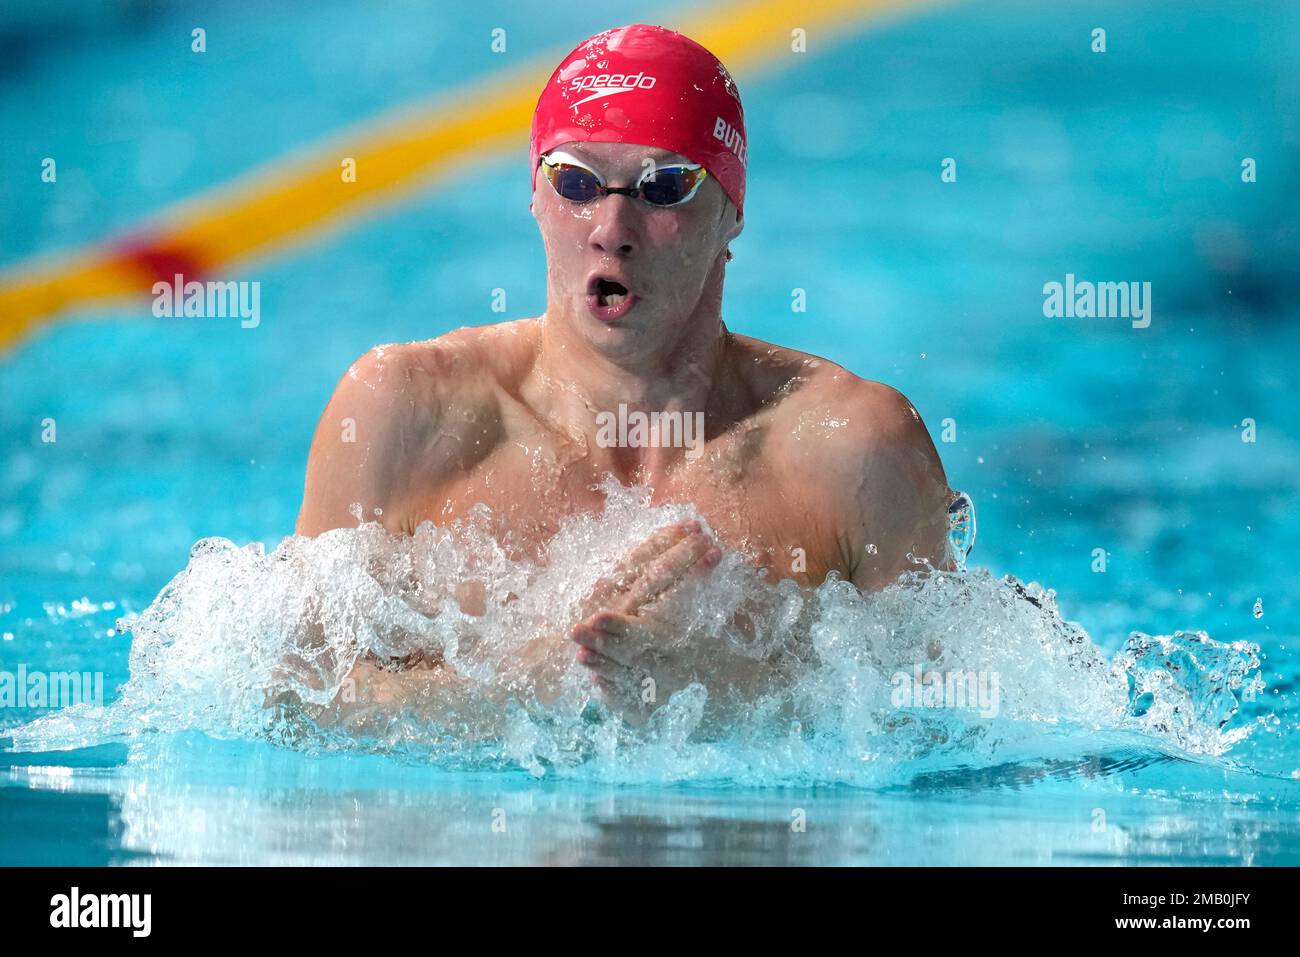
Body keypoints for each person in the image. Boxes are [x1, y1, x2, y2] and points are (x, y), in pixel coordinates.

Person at [293, 24, 953, 731]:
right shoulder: (404, 412)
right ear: (535, 199)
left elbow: (943, 720)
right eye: (575, 181)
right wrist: (533, 680)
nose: (612, 225)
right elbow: (294, 695)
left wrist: (726, 692)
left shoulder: (854, 450)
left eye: (662, 186)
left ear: (732, 211)